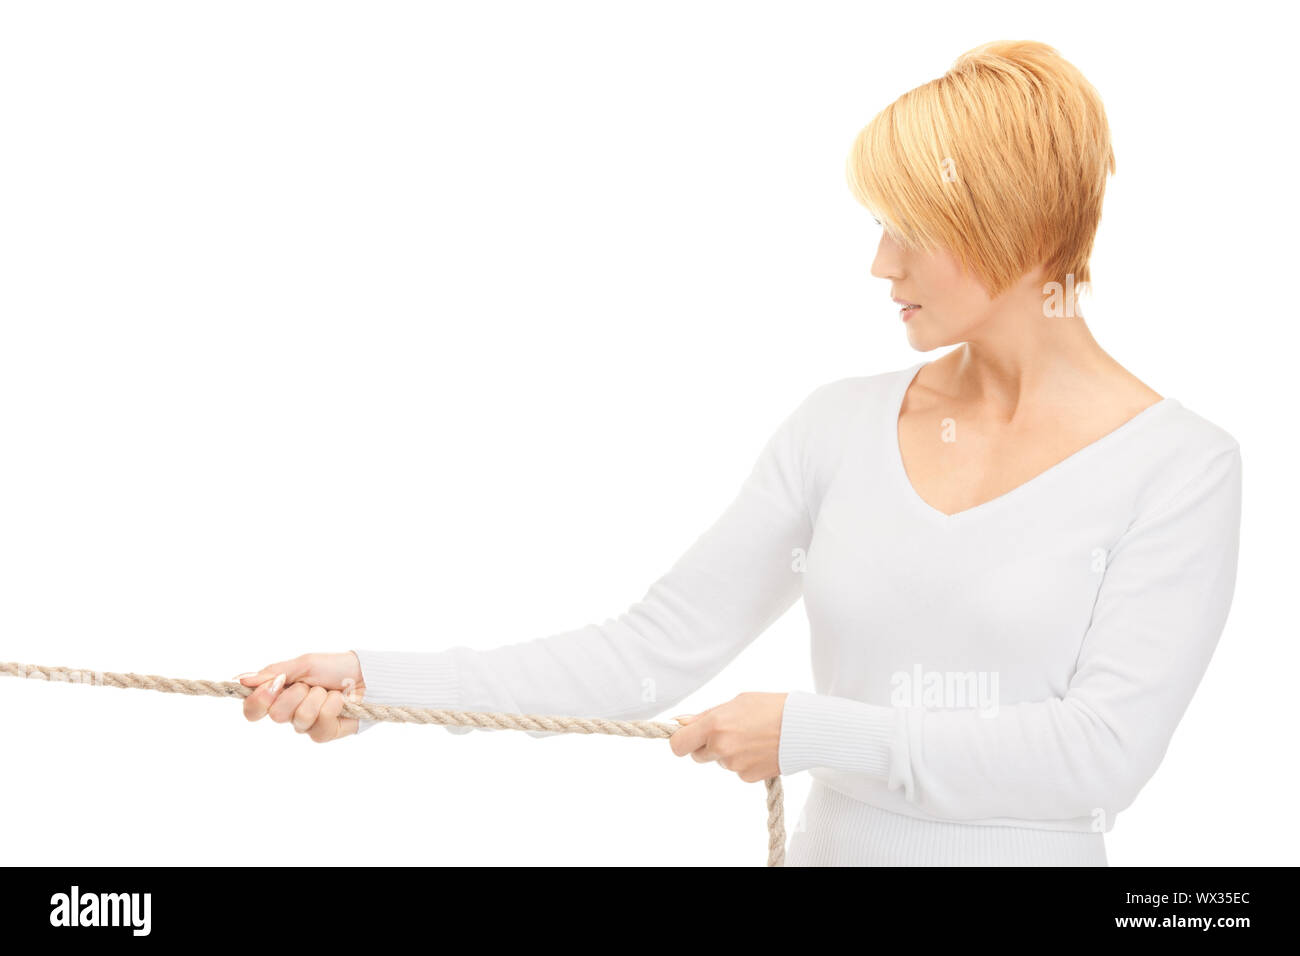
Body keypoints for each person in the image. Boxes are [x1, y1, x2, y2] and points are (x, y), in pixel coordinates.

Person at [236, 40, 1242, 866]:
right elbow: (643, 651)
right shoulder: (837, 426)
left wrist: (815, 732)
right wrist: (379, 686)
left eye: (911, 228)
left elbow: (1100, 754)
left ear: (1017, 232)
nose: (879, 263)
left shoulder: (1177, 468)